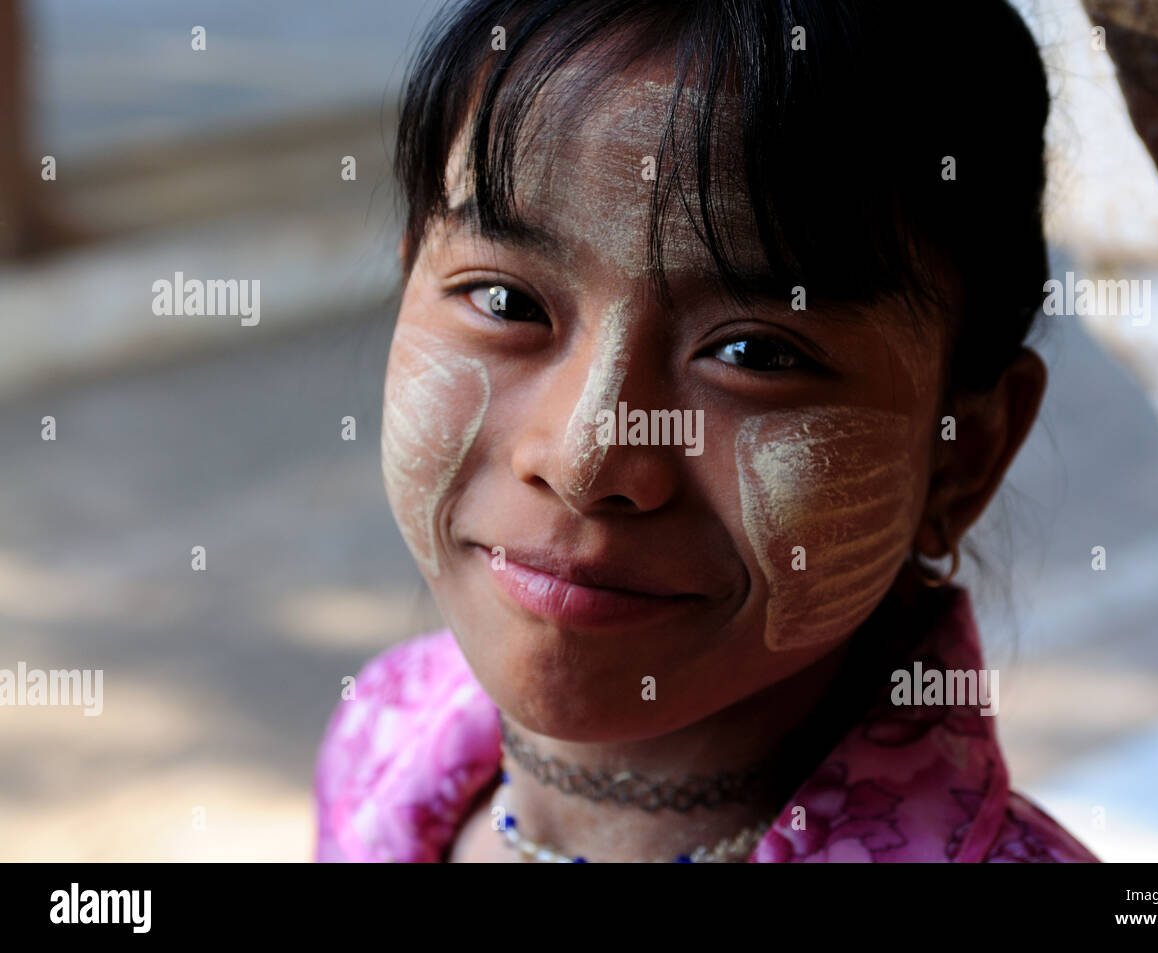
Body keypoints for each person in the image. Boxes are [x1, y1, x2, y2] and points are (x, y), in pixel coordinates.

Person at [313, 0, 1099, 863]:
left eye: (756, 352)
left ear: (964, 455)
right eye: (506, 301)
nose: (585, 459)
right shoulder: (382, 732)